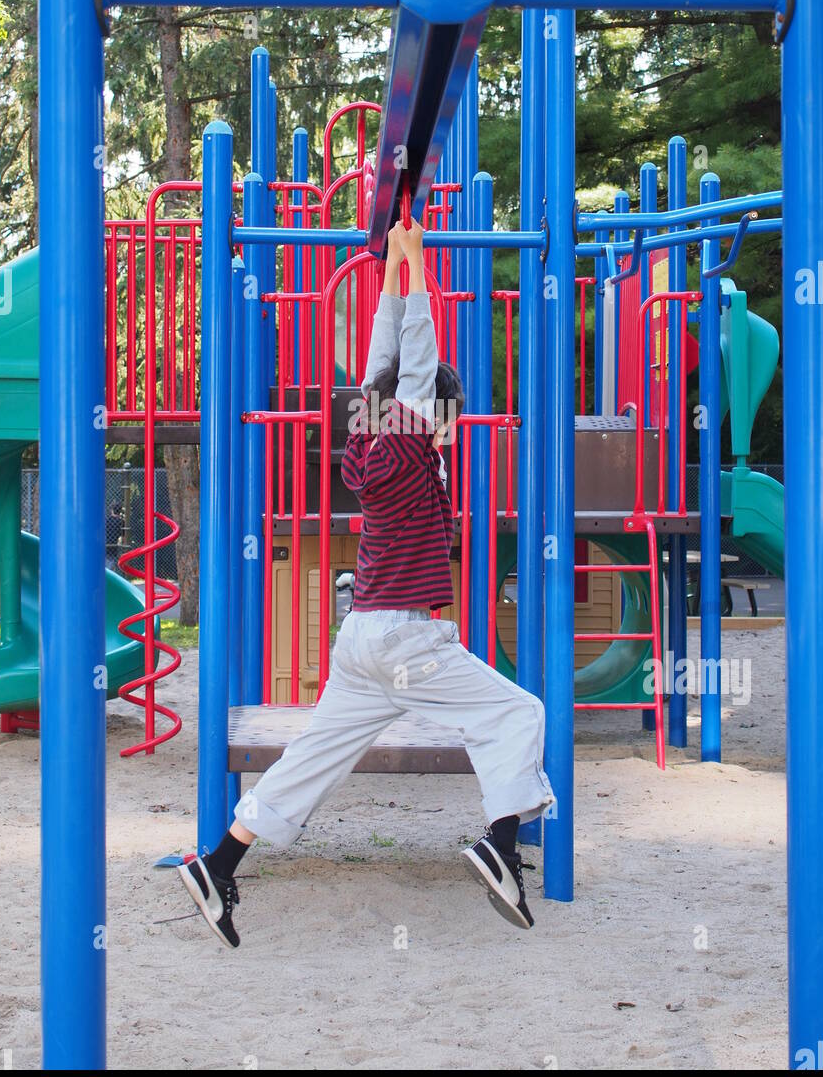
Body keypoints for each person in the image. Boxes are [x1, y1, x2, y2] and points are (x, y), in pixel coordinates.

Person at [180, 219, 554, 946]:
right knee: (518, 714)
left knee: (314, 758)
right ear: (435, 417)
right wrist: (414, 261)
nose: (454, 422)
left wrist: (389, 272)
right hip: (405, 637)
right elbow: (412, 361)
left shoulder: (364, 442)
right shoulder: (415, 451)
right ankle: (501, 849)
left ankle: (219, 864)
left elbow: (379, 362)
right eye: (452, 413)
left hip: (359, 641)